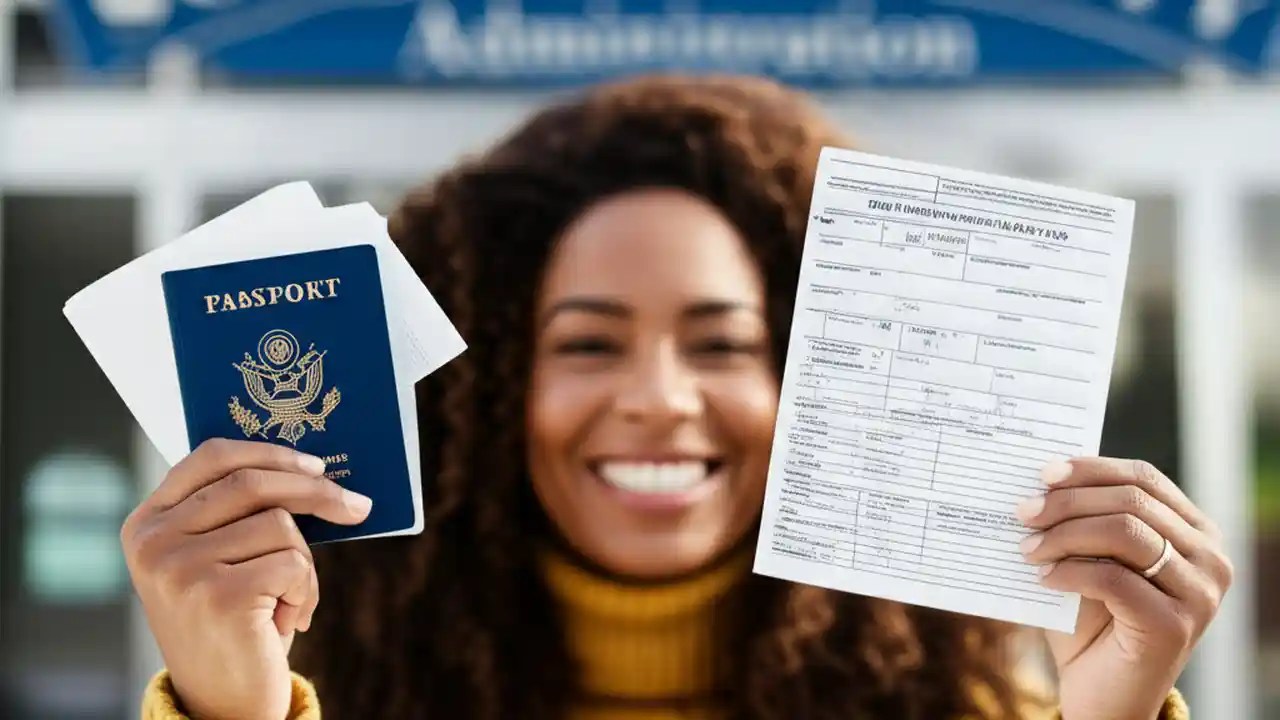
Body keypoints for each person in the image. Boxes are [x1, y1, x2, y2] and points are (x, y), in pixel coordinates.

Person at [125, 75, 1229, 720]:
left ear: (806, 381)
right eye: (589, 345)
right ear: (491, 391)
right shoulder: (308, 697)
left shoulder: (992, 711)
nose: (658, 399)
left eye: (721, 344)